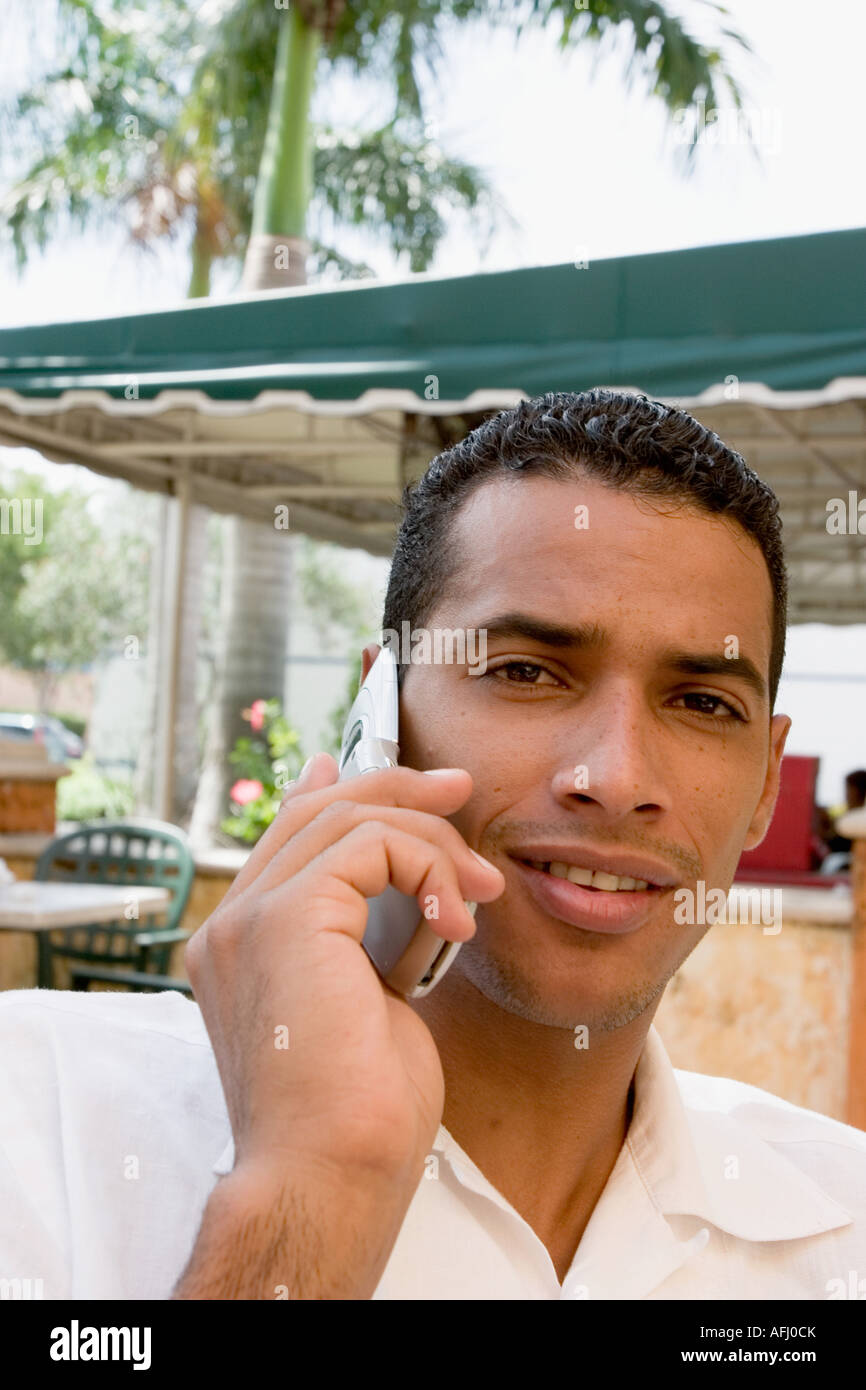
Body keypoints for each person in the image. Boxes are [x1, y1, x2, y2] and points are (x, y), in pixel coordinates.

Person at [1, 389, 864, 1301]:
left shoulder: (838, 1222)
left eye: (701, 702)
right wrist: (315, 1182)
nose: (616, 777)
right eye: (525, 671)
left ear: (766, 782)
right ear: (381, 716)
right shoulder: (40, 1117)